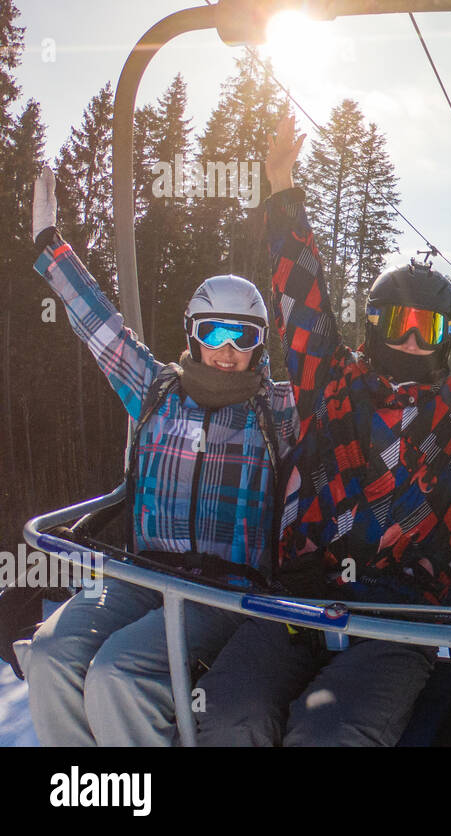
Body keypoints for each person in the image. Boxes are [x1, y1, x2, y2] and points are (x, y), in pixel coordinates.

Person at [194, 115, 451, 746]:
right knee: (230, 709)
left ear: (446, 339)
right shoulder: (332, 381)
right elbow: (302, 299)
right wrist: (284, 189)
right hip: (300, 595)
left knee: (331, 732)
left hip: (398, 614)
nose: (408, 341)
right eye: (397, 323)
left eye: (426, 330)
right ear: (374, 325)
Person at [24, 167, 298, 746]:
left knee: (118, 674)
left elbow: (336, 385)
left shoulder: (275, 411)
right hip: (141, 572)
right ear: (193, 334)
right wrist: (51, 250)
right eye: (215, 333)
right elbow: (101, 328)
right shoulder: (155, 391)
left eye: (243, 337)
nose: (228, 351)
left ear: (260, 344)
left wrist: (415, 352)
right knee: (50, 653)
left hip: (223, 591)